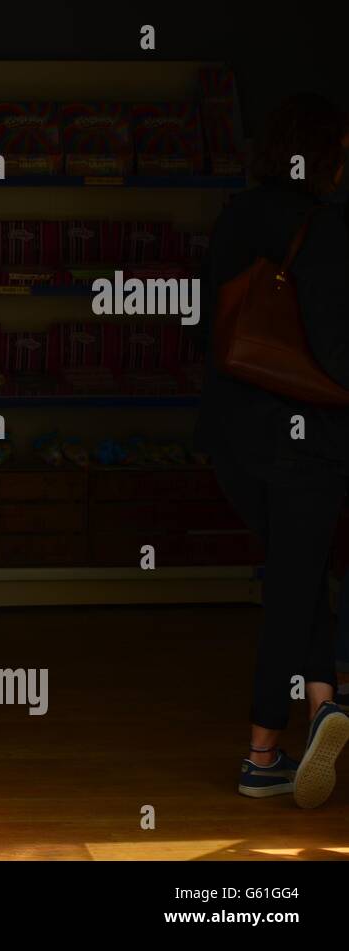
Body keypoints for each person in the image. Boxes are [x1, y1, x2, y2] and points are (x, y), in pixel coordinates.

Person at [197, 93, 349, 807]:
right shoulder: (323, 226)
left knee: (298, 567)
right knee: (293, 584)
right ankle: (261, 752)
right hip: (307, 435)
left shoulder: (235, 215)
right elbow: (336, 350)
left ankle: (325, 704)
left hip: (233, 435)